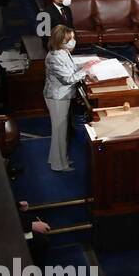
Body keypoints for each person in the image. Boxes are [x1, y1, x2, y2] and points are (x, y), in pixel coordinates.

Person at [43, 26, 99, 172]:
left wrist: (86, 65)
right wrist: (85, 70)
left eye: (73, 38)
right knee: (59, 131)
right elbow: (68, 78)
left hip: (62, 96)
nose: (73, 41)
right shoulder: (54, 57)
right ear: (60, 40)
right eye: (70, 39)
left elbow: (72, 67)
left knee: (61, 130)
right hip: (57, 97)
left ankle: (56, 159)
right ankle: (59, 165)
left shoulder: (63, 52)